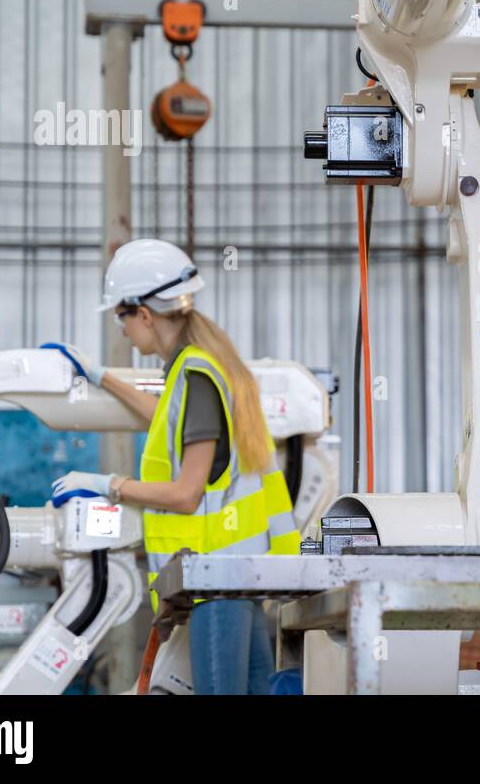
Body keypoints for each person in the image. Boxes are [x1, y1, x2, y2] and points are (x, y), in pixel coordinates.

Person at [47, 238, 300, 694]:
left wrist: (108, 484)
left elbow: (187, 494)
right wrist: (100, 375)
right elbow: (163, 416)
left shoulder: (197, 376)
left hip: (216, 585)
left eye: (120, 316)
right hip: (236, 580)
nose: (121, 329)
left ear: (144, 313)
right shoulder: (201, 367)